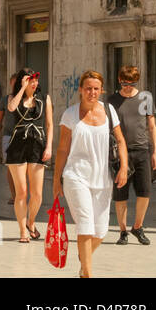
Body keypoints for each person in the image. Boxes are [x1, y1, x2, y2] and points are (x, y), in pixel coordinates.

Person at [53, 70, 129, 278]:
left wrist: (123, 167)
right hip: (76, 176)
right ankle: (87, 274)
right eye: (88, 88)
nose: (92, 92)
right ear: (80, 90)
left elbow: (121, 141)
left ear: (101, 90)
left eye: (96, 89)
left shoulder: (110, 111)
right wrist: (56, 179)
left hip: (103, 179)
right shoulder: (70, 114)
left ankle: (83, 260)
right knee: (85, 225)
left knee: (101, 232)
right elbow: (62, 149)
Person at [106, 65, 156, 245]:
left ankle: (137, 226)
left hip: (142, 149)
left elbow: (151, 126)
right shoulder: (112, 100)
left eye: (131, 83)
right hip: (121, 153)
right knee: (121, 194)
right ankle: (122, 231)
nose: (127, 87)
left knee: (145, 192)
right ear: (120, 81)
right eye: (124, 83)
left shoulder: (146, 97)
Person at [4, 69, 53, 242]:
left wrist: (49, 147)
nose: (34, 83)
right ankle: (22, 232)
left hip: (38, 145)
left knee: (37, 194)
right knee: (22, 192)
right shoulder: (13, 98)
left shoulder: (44, 98)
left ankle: (30, 222)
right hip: (18, 145)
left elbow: (49, 124)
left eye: (35, 80)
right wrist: (22, 88)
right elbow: (11, 108)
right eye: (30, 80)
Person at [0, 79, 19, 205]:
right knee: (10, 167)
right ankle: (14, 195)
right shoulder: (4, 100)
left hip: (23, 136)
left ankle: (21, 194)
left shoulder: (26, 99)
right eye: (13, 82)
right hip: (8, 136)